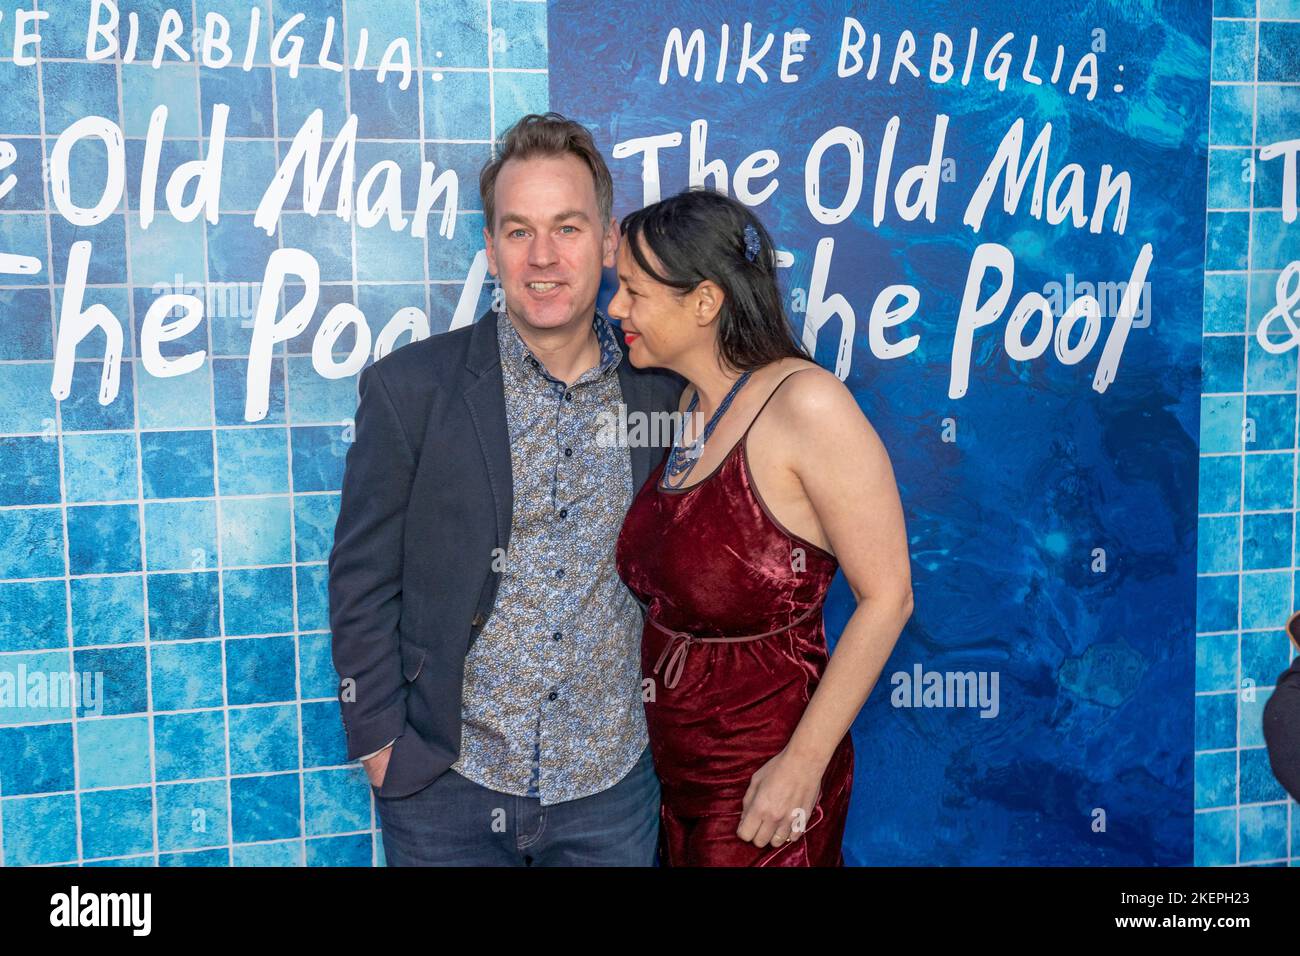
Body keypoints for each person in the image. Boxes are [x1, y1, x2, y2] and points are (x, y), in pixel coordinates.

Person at [329, 113, 683, 866]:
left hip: (611, 790)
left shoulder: (664, 394)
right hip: (445, 788)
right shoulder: (410, 390)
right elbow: (361, 577)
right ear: (491, 248)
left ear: (608, 241)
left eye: (567, 228)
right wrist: (381, 744)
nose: (543, 256)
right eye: (519, 231)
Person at [611, 187, 913, 866]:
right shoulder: (692, 405)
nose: (617, 308)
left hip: (763, 790)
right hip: (681, 781)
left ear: (704, 301)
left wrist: (802, 765)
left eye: (633, 291)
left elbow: (888, 596)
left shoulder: (808, 404)